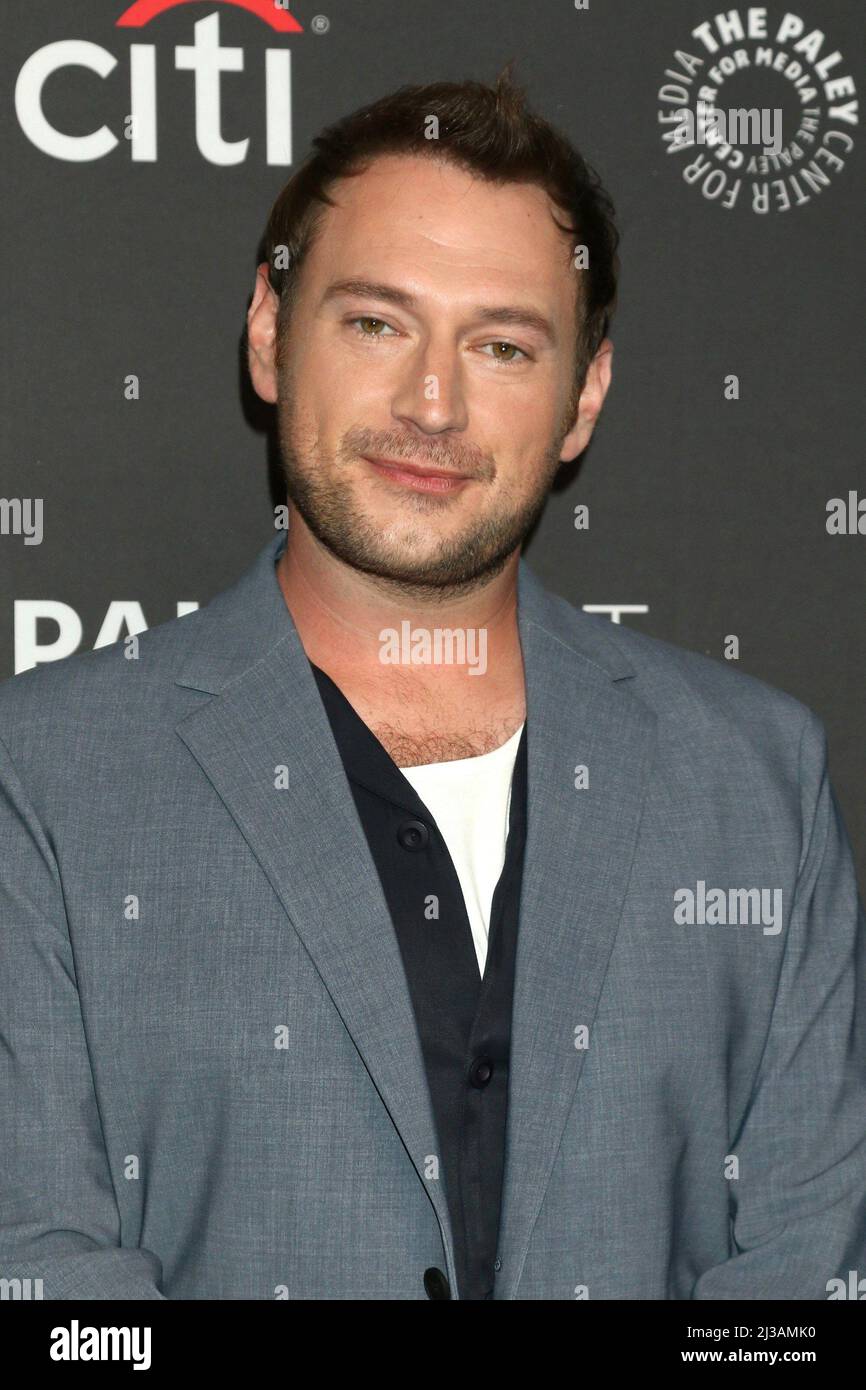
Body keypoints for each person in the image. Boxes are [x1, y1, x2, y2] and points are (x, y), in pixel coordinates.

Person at [0, 70, 864, 1302]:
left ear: (583, 399)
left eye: (501, 345)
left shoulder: (754, 778)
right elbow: (41, 1286)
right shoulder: (43, 776)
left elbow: (804, 1277)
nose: (431, 403)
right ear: (266, 332)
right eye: (374, 323)